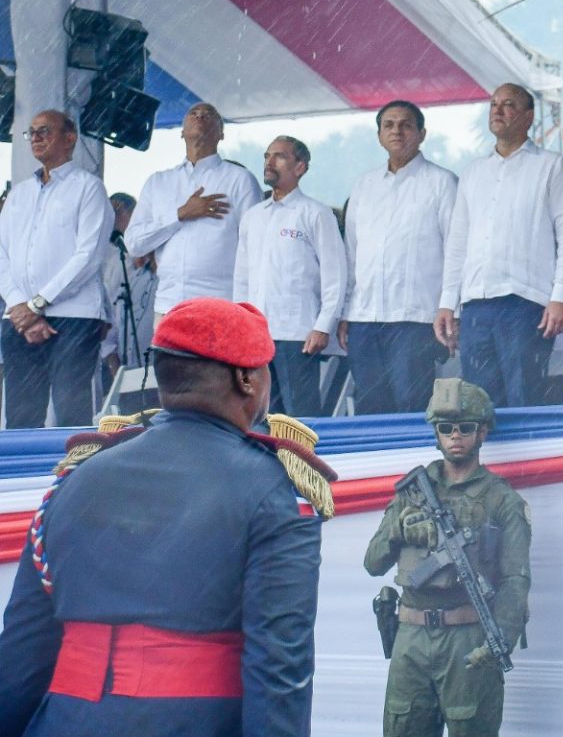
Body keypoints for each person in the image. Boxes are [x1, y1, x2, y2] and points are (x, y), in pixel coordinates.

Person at [0, 298, 328, 735]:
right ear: (248, 379)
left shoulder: (77, 477)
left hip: (67, 721)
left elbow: (23, 649)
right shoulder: (272, 489)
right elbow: (280, 667)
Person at [364, 378, 531, 737]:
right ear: (435, 433)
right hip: (410, 636)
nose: (455, 436)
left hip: (468, 636)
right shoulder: (412, 493)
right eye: (446, 428)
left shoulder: (502, 500)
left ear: (483, 432)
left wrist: (499, 639)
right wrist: (397, 528)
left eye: (466, 427)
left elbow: (515, 580)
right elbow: (373, 563)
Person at [437, 84, 563, 407]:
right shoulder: (473, 172)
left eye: (508, 105)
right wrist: (448, 301)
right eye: (493, 105)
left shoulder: (552, 165)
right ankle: (487, 461)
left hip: (525, 302)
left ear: (529, 116)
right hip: (476, 303)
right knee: (479, 406)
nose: (498, 111)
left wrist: (560, 296)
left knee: (524, 399)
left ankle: (527, 460)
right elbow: (458, 241)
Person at [343, 100, 458, 415]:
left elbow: (456, 251)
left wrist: (451, 307)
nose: (397, 131)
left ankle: (415, 465)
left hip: (416, 318)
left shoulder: (442, 182)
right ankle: (379, 466)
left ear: (421, 134)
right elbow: (352, 254)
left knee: (412, 405)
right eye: (389, 125)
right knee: (369, 406)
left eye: (406, 124)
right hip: (364, 318)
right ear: (379, 135)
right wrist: (345, 311)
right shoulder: (364, 185)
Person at [0, 110, 113, 428]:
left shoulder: (88, 188)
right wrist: (20, 306)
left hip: (74, 316)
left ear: (70, 138)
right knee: (21, 414)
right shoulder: (19, 194)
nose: (35, 138)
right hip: (18, 317)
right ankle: (22, 478)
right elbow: (2, 254)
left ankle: (70, 477)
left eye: (44, 131)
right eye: (31, 132)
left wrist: (38, 303)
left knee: (70, 412)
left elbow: (88, 256)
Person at [232, 136, 346, 418]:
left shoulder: (315, 213)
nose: (270, 162)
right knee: (261, 417)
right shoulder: (253, 216)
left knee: (301, 420)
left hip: (299, 333)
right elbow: (242, 278)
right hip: (258, 334)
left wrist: (323, 325)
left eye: (280, 156)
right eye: (267, 155)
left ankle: (307, 464)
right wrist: (240, 324)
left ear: (300, 168)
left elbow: (336, 274)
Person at [124, 103, 261, 320]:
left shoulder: (240, 179)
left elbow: (256, 247)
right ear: (181, 132)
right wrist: (180, 214)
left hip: (221, 304)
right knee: (167, 356)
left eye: (208, 115)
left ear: (221, 134)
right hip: (169, 305)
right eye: (193, 114)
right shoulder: (158, 182)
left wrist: (247, 308)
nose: (200, 117)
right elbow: (134, 244)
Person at [100, 192, 158, 400]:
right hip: (124, 374)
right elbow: (113, 325)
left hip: (158, 378)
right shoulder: (121, 267)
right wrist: (115, 367)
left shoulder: (165, 281)